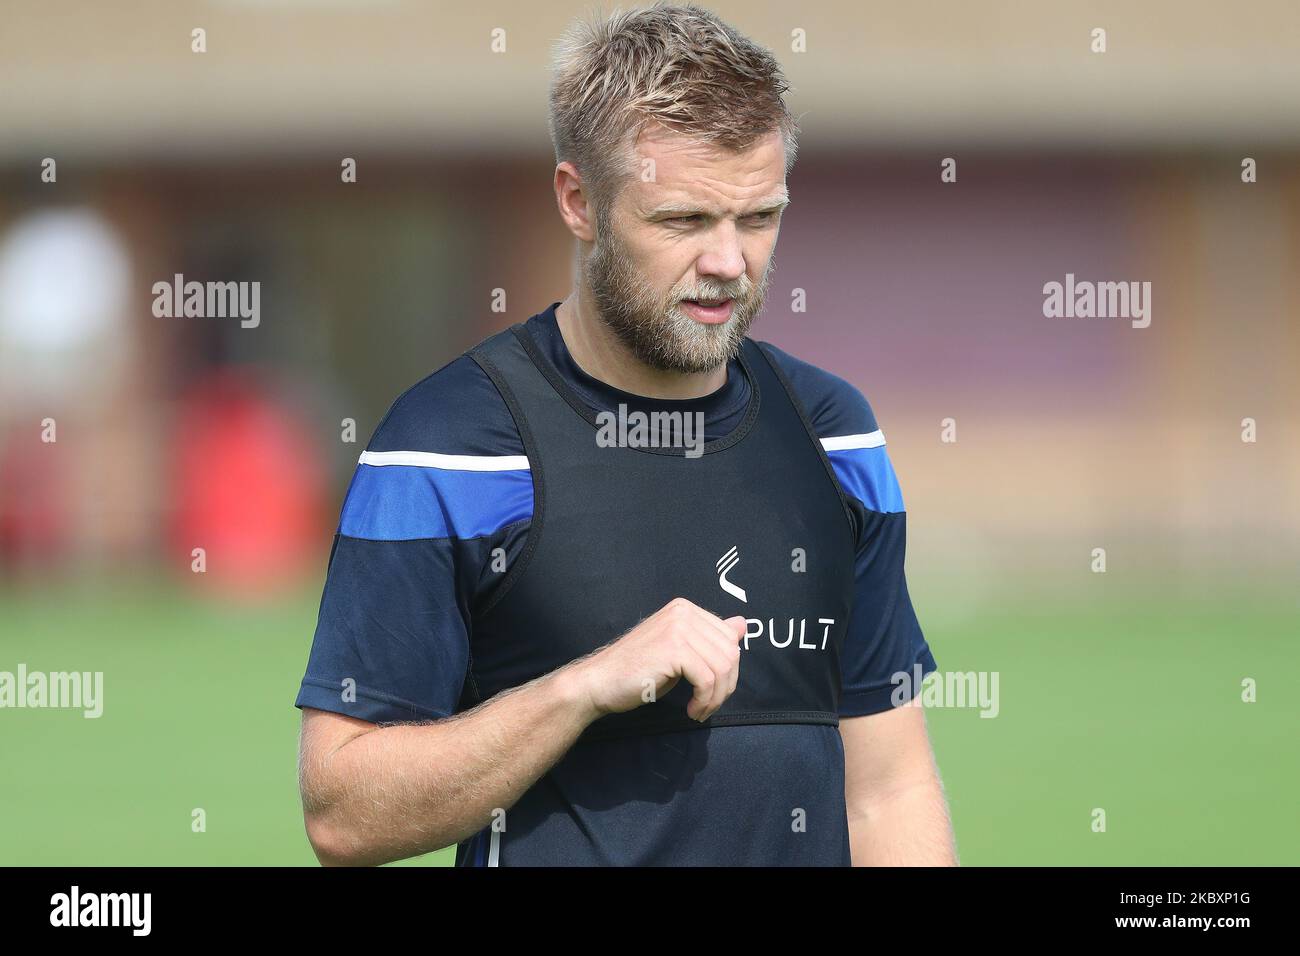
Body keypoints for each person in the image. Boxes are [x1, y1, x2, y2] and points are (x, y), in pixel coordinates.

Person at [295, 1, 956, 866]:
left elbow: (888, 790)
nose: (729, 262)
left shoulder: (835, 438)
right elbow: (343, 815)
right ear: (579, 201)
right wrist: (579, 691)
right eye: (683, 220)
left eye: (759, 218)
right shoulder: (445, 446)